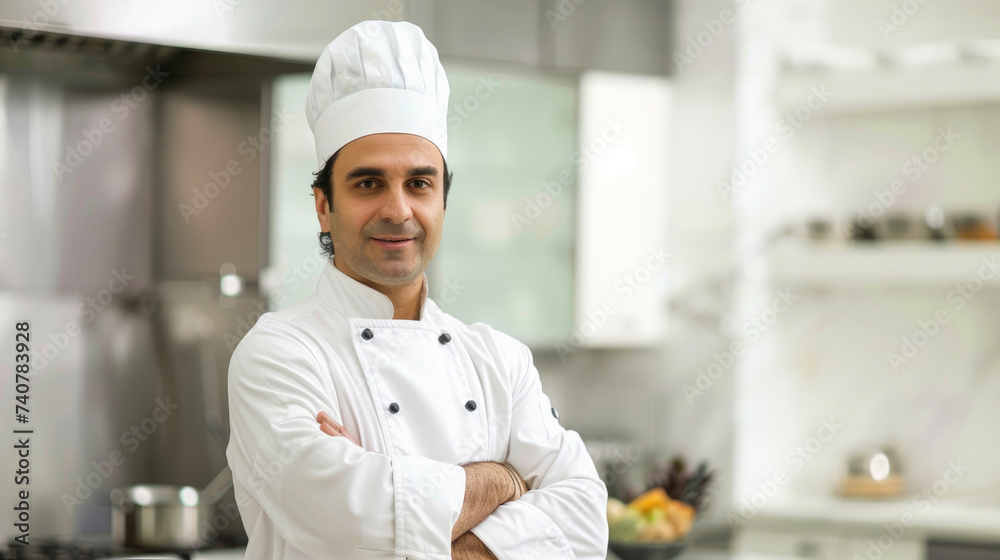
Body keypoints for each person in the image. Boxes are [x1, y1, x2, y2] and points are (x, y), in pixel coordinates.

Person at [225, 19, 608, 560]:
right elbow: (344, 520)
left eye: (419, 183)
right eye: (368, 183)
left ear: (442, 203)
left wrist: (405, 511)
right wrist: (500, 483)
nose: (399, 210)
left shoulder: (499, 361)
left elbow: (585, 519)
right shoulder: (280, 355)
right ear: (323, 208)